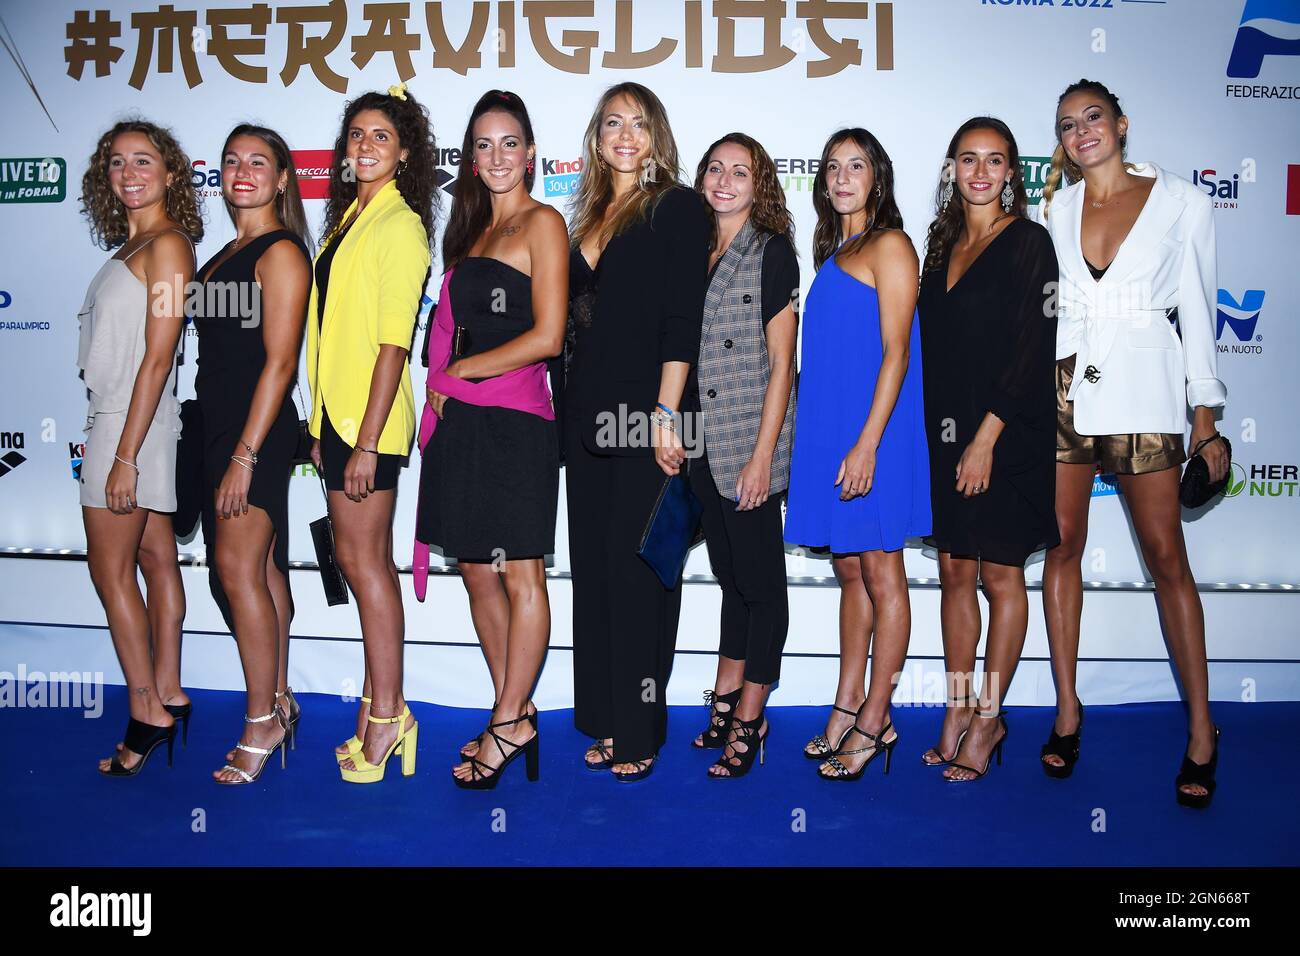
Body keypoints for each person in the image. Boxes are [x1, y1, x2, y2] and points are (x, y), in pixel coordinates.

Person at [1041, 79, 1228, 808]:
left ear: (1122, 123)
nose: (1082, 130)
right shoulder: (1056, 207)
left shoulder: (1184, 202)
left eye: (1093, 117)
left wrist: (1205, 414)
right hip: (1066, 393)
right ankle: (1065, 710)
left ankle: (1203, 730)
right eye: (1067, 124)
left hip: (1148, 392)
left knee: (1166, 558)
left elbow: (1202, 312)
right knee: (1061, 548)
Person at [414, 90, 566, 789]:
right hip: (463, 422)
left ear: (530, 154)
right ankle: (517, 707)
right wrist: (443, 391)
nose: (497, 156)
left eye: (510, 143)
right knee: (476, 568)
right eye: (484, 145)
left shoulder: (543, 224)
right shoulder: (468, 235)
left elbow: (547, 336)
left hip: (516, 421)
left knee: (520, 572)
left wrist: (458, 371)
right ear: (470, 160)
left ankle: (506, 719)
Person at [565, 82, 711, 781]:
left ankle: (640, 730)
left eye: (640, 124)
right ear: (597, 138)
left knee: (638, 572)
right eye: (614, 123)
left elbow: (684, 318)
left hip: (643, 413)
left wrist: (665, 413)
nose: (626, 136)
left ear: (658, 136)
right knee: (594, 569)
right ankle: (605, 717)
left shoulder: (677, 208)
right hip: (586, 417)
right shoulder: (586, 214)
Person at [784, 127, 930, 782]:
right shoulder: (837, 249)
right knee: (850, 571)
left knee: (881, 572)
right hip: (832, 434)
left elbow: (897, 351)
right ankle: (847, 704)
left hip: (876, 434)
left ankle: (877, 717)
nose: (843, 176)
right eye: (833, 167)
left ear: (879, 177)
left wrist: (868, 442)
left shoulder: (892, 244)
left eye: (857, 165)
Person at [916, 118, 1060, 782]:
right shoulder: (938, 249)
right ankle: (955, 708)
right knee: (953, 575)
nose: (980, 171)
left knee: (999, 578)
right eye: (967, 159)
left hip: (1005, 437)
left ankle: (989, 717)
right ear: (951, 169)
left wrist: (985, 440)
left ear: (1012, 174)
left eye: (994, 160)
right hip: (945, 436)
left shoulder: (1030, 243)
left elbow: (1034, 350)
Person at [310, 83, 436, 783]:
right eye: (355, 135)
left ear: (405, 152)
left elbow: (394, 343)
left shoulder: (400, 225)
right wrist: (323, 425)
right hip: (338, 419)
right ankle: (375, 704)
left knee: (367, 567)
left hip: (371, 426)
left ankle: (391, 717)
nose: (364, 146)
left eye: (380, 136)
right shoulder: (349, 221)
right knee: (361, 566)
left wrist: (362, 441)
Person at [78, 120, 202, 776]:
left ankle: (146, 712)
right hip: (136, 422)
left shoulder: (169, 248)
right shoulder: (138, 245)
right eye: (118, 163)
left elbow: (159, 358)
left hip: (130, 425)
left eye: (144, 160)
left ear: (172, 172)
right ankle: (171, 691)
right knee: (156, 557)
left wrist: (123, 456)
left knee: (110, 572)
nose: (130, 173)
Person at [194, 125, 311, 784]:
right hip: (219, 430)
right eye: (232, 160)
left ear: (283, 177)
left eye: (258, 162)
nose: (242, 172)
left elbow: (280, 362)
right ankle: (280, 697)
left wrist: (244, 455)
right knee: (259, 573)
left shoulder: (282, 253)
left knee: (238, 573)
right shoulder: (222, 255)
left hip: (254, 434)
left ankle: (261, 718)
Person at [687, 133, 798, 778]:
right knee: (731, 580)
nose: (726, 181)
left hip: (750, 449)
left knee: (762, 588)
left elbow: (783, 363)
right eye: (716, 169)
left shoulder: (771, 254)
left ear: (760, 186)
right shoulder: (694, 252)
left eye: (741, 172)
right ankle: (727, 696)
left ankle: (752, 718)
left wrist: (763, 458)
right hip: (703, 449)